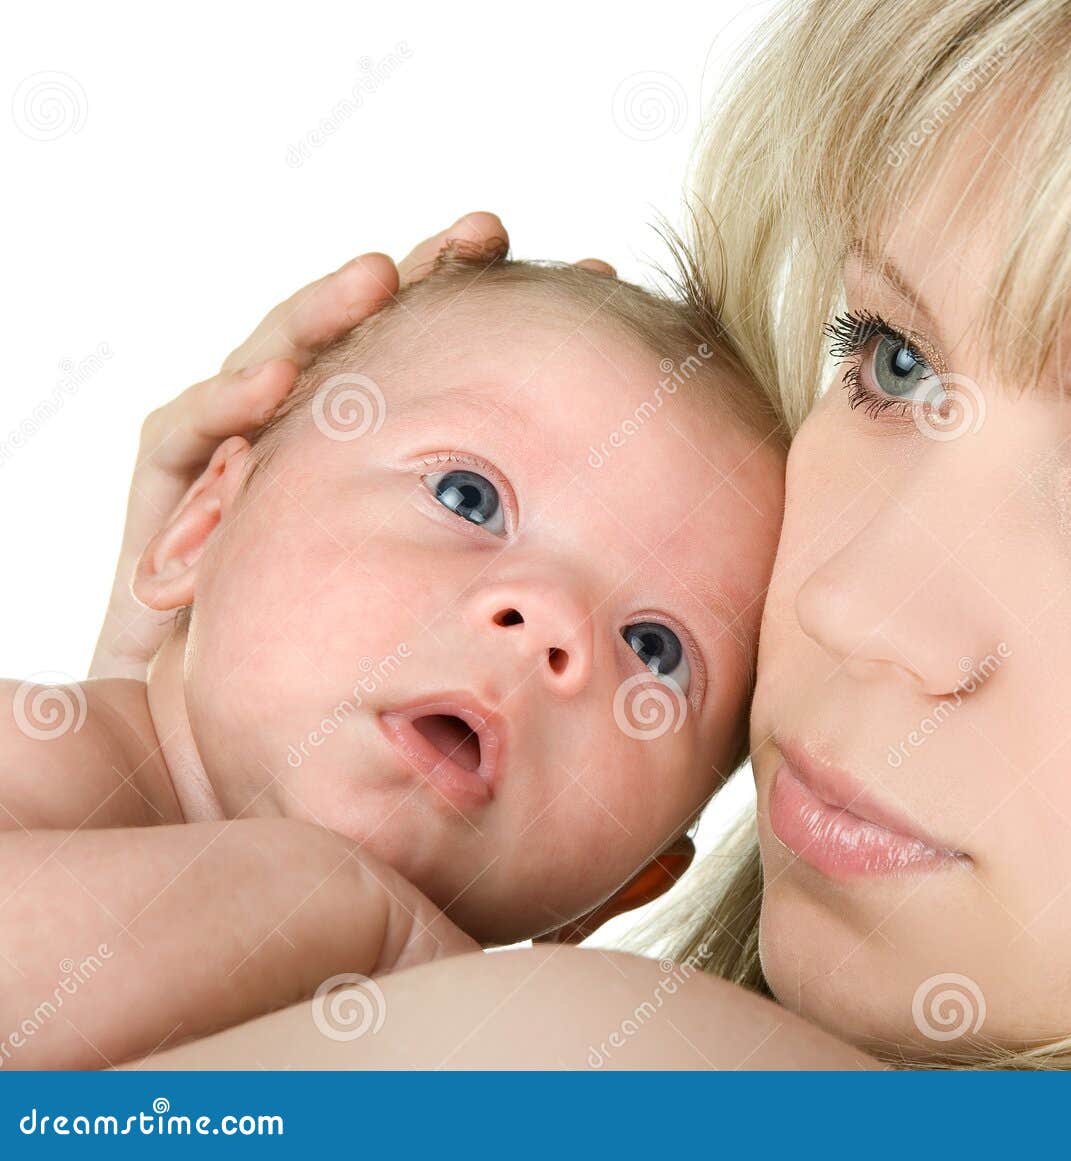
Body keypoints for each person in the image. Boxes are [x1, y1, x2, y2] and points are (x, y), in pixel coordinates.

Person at [113, 0, 1071, 1068]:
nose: (844, 605)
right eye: (891, 359)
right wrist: (171, 752)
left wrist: (182, 850)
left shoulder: (584, 1064)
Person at [1, 248, 786, 1068]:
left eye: (654, 650)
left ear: (624, 888)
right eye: (466, 497)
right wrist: (328, 896)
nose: (552, 621)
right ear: (200, 530)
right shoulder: (52, 762)